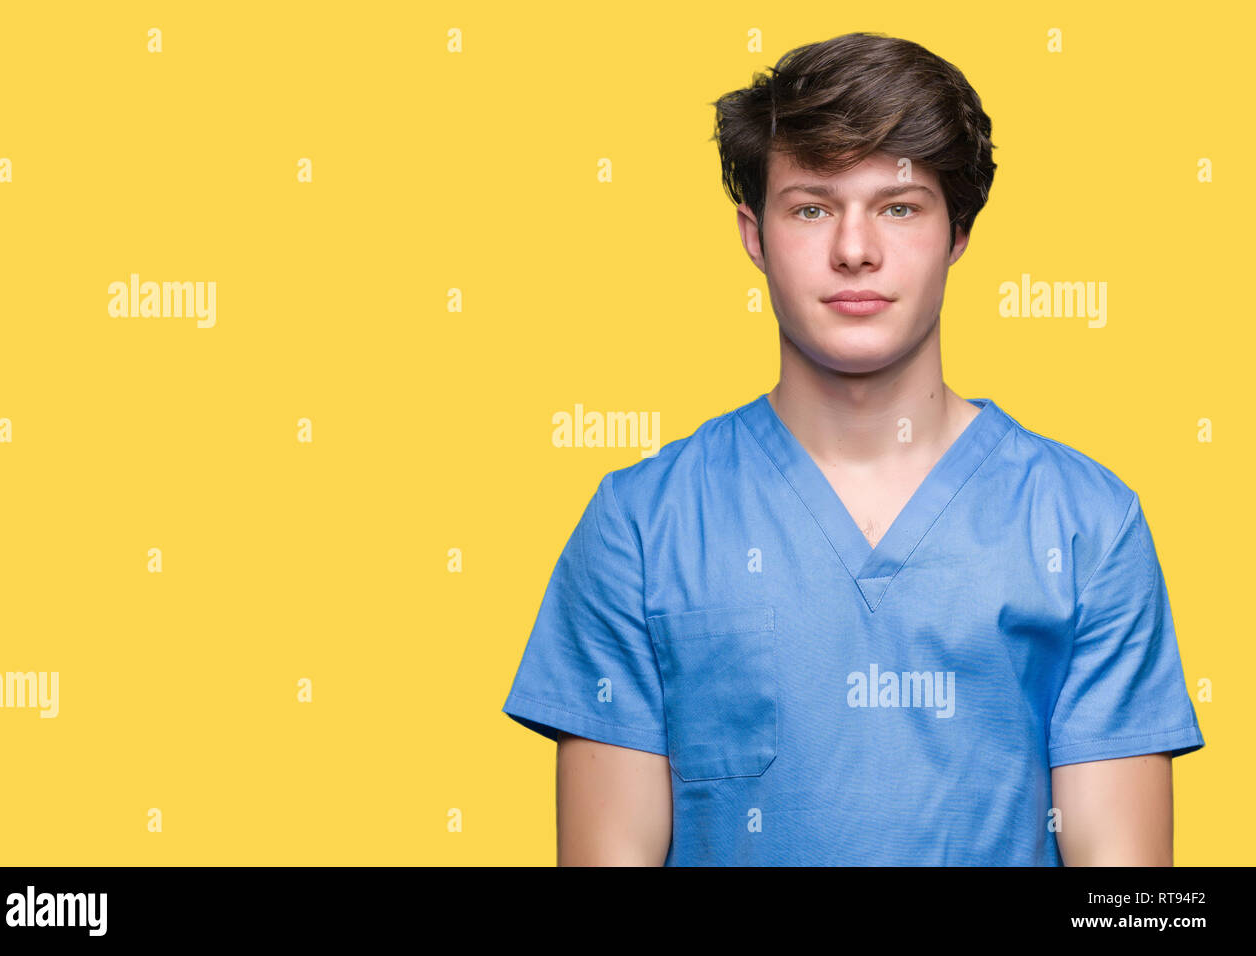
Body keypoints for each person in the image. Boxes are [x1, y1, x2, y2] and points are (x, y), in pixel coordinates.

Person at [500, 32, 1204, 866]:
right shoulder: (639, 526)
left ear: (959, 232)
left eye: (899, 206)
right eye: (812, 207)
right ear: (754, 235)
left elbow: (1127, 902)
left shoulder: (1087, 525)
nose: (855, 249)